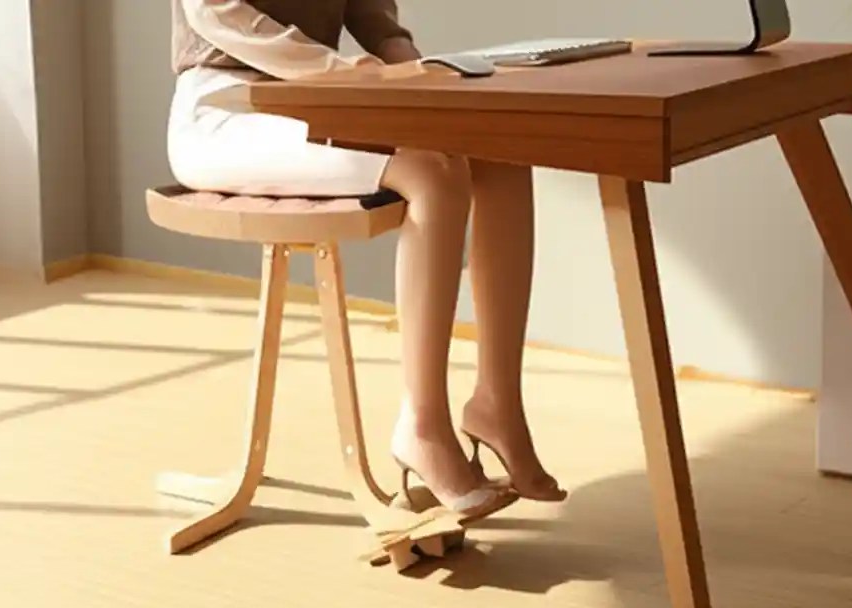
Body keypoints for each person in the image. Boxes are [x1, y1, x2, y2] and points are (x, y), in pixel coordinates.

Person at [169, 0, 567, 519]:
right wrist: (355, 75)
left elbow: (371, 13)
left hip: (317, 96)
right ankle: (423, 426)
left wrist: (409, 66)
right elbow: (215, 13)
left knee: (503, 153)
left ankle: (498, 405)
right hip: (227, 110)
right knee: (430, 173)